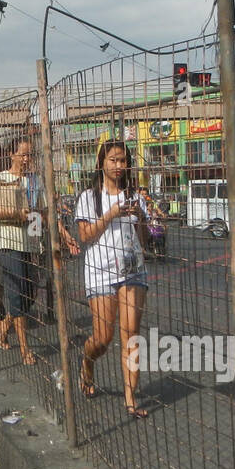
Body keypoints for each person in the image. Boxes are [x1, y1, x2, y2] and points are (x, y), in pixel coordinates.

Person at [75, 140, 152, 418]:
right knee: (103, 338)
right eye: (113, 160)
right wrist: (111, 214)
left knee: (131, 334)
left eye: (123, 160)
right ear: (102, 163)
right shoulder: (89, 198)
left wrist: (140, 216)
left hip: (133, 271)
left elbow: (144, 240)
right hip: (100, 273)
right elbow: (85, 236)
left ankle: (131, 400)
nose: (119, 166)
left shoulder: (135, 196)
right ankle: (87, 361)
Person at [0, 139, 42, 365]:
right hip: (8, 240)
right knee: (16, 288)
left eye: (30, 155)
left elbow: (42, 210)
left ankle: (4, 325)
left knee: (31, 290)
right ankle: (25, 348)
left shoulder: (35, 181)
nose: (27, 159)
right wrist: (14, 213)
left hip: (30, 241)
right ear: (12, 155)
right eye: (23, 154)